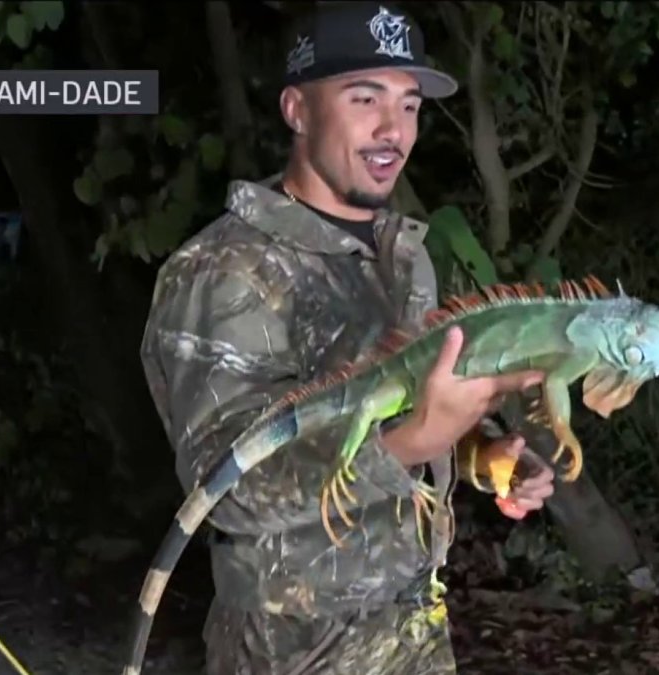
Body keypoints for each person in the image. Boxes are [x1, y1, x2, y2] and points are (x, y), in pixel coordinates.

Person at [140, 3, 555, 673]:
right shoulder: (226, 270)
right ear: (298, 110)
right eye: (364, 98)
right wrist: (416, 439)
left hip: (412, 632)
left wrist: (482, 455)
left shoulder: (404, 255)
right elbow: (230, 489)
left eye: (411, 104)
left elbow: (399, 407)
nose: (394, 129)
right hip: (293, 652)